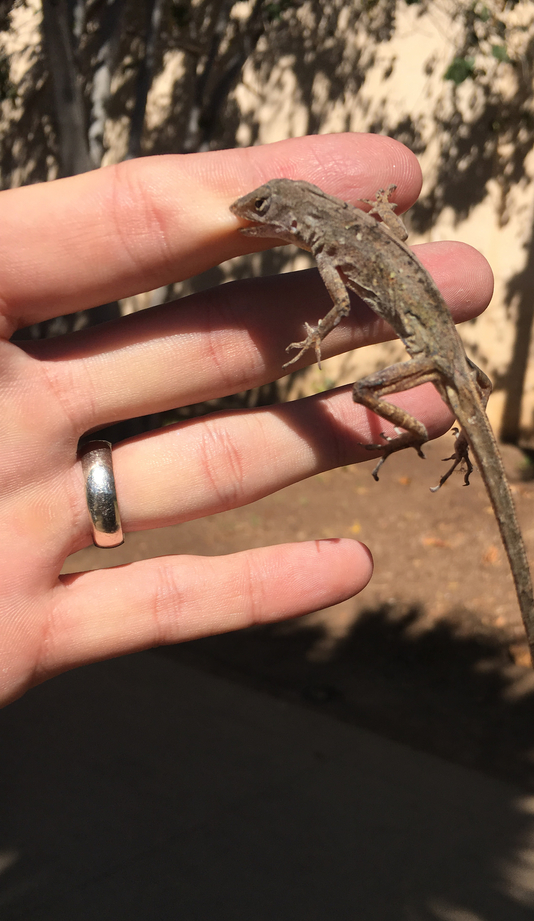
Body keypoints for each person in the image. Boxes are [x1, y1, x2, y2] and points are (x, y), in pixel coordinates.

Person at [0, 133, 493, 707]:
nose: (249, 218)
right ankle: (457, 432)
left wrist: (316, 336)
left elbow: (340, 305)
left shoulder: (331, 250)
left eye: (261, 209)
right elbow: (399, 240)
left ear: (296, 218)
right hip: (445, 345)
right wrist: (383, 209)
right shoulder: (359, 227)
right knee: (468, 386)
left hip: (430, 348)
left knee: (365, 390)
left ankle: (412, 431)